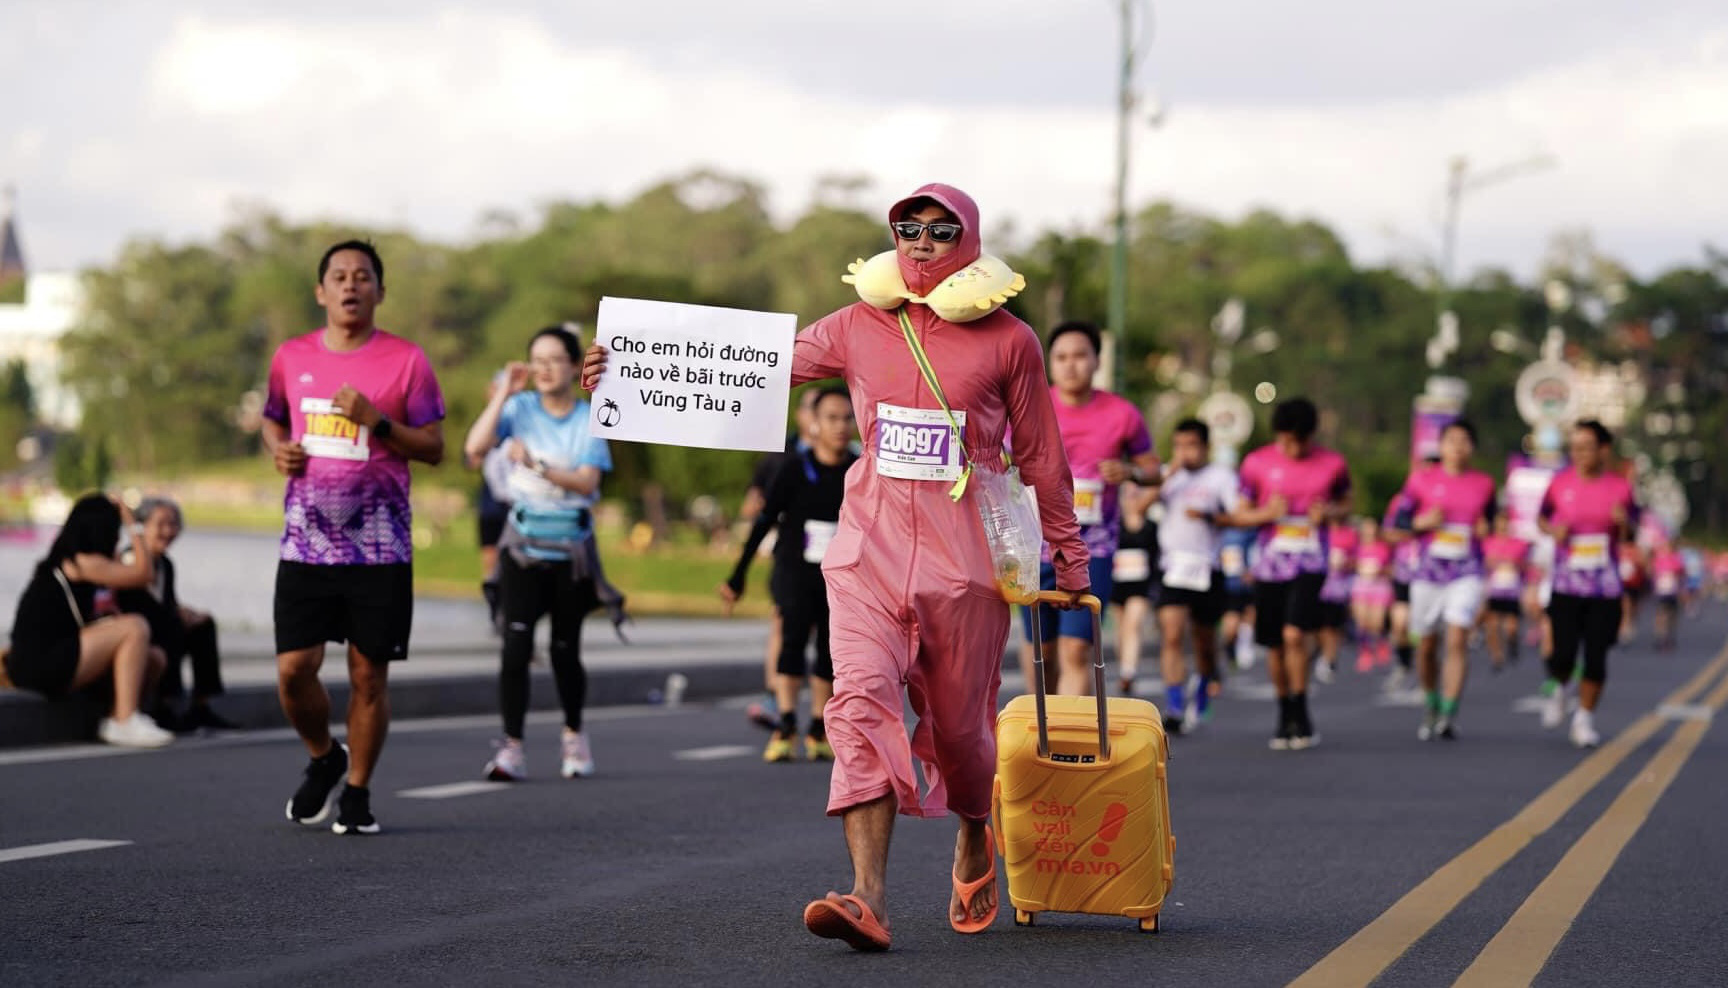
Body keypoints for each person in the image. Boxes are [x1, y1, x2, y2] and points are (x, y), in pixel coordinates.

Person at [583, 183, 1089, 949]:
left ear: (968, 237)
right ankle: (869, 898)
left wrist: (1071, 561)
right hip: (867, 556)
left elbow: (1045, 460)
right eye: (907, 228)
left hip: (967, 569)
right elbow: (751, 369)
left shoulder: (1010, 340)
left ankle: (976, 829)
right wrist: (624, 370)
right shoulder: (857, 324)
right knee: (857, 703)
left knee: (960, 734)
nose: (920, 241)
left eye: (939, 228)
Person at [262, 240, 446, 835]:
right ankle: (324, 756)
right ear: (321, 291)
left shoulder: (407, 361)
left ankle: (359, 792)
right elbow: (272, 416)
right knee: (294, 669)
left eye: (362, 277)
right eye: (339, 276)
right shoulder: (291, 357)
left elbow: (435, 448)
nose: (350, 285)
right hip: (306, 543)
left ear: (379, 292)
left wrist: (377, 421)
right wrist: (278, 448)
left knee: (369, 676)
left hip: (380, 545)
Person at [465, 325, 622, 781]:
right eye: (537, 360)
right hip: (522, 548)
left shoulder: (590, 417)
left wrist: (535, 464)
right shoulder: (519, 408)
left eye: (555, 360)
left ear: (575, 367)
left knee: (563, 649)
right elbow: (475, 447)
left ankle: (574, 736)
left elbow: (588, 481)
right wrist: (502, 396)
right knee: (515, 648)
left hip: (570, 549)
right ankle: (511, 746)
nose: (544, 369)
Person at [1018, 321, 1156, 698]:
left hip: (1092, 549)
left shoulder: (1123, 414)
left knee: (1076, 649)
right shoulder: (1030, 408)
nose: (1071, 365)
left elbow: (1154, 471)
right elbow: (999, 462)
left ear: (1097, 360)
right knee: (1039, 653)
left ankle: (1065, 740)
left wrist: (1130, 472)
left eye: (1080, 356)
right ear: (1050, 363)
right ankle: (1040, 729)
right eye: (1061, 357)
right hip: (1034, 550)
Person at [722, 386, 859, 762]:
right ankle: (785, 725)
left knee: (830, 650)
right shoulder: (794, 468)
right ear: (813, 423)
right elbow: (764, 520)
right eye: (831, 418)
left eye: (847, 418)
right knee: (792, 641)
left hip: (839, 577)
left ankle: (817, 728)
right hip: (794, 569)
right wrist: (738, 575)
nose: (840, 426)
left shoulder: (858, 471)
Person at [1228, 397, 1352, 750]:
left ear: (1311, 436)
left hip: (1311, 563)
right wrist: (1266, 513)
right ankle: (1285, 713)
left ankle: (1301, 710)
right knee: (1276, 643)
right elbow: (1240, 514)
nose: (1292, 448)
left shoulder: (1332, 464)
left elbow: (1347, 502)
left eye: (1300, 441)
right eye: (1285, 440)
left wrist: (1328, 511)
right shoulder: (1257, 463)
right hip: (1269, 564)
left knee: (1296, 634)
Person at [4, 493, 173, 747]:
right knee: (135, 627)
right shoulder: (84, 561)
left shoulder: (76, 562)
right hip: (43, 663)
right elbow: (144, 573)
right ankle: (123, 721)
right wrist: (134, 523)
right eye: (115, 530)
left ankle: (116, 713)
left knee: (154, 659)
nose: (118, 537)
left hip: (53, 656)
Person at [1387, 420, 1497, 741]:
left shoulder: (1484, 484)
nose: (1458, 447)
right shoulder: (1421, 481)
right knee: (1426, 645)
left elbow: (1490, 521)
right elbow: (1399, 525)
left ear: (1472, 447)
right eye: (1451, 441)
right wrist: (1423, 522)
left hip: (1467, 571)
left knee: (1458, 637)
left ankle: (1449, 712)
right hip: (1428, 573)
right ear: (1441, 445)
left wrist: (1484, 530)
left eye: (1464, 441)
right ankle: (1431, 704)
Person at [1537, 420, 1638, 749]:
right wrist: (1553, 531)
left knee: (1596, 655)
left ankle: (1584, 719)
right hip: (1567, 584)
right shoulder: (1559, 483)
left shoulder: (1620, 488)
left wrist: (1625, 524)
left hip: (1605, 586)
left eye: (1585, 447)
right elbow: (1541, 517)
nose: (1578, 454)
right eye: (1574, 447)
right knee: (1562, 654)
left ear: (1603, 450)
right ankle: (1560, 688)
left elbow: (1633, 531)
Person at [740, 387, 824, 732]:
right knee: (784, 622)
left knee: (826, 634)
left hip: (831, 563)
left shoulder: (849, 457)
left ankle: (823, 716)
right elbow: (752, 505)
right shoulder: (781, 457)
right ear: (802, 416)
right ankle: (776, 697)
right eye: (810, 410)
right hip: (790, 556)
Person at [116, 497, 236, 731]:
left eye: (173, 524)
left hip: (161, 627)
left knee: (203, 624)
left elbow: (164, 602)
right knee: (170, 626)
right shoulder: (126, 561)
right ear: (142, 527)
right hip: (140, 637)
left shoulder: (166, 565)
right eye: (161, 524)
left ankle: (201, 707)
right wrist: (172, 615)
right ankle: (164, 706)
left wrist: (185, 613)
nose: (168, 531)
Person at [1152, 418, 1238, 734]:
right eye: (1179, 445)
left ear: (1205, 446)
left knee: (1203, 640)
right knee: (1172, 634)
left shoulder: (1221, 477)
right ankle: (1174, 705)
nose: (1184, 452)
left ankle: (1204, 682)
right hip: (1173, 566)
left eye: (1191, 445)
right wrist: (1167, 475)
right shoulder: (1167, 476)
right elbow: (1138, 507)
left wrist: (1209, 516)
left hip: (1207, 567)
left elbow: (1236, 514)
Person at [470, 372, 515, 635]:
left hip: (515, 503)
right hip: (490, 503)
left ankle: (511, 614)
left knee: (511, 561)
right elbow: (472, 457)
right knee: (490, 562)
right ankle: (495, 613)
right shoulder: (488, 423)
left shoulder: (521, 420)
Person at [1108, 481, 1159, 696]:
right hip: (1116, 584)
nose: (1131, 498)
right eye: (1126, 494)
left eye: (1135, 494)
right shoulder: (1113, 523)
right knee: (1121, 629)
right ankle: (1124, 668)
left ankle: (1129, 671)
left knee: (1133, 625)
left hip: (1140, 585)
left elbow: (1156, 558)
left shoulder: (1151, 526)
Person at [1480, 513, 1530, 672]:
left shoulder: (1519, 544)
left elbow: (1527, 567)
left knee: (1511, 627)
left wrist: (1515, 564)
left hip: (1512, 591)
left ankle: (1512, 643)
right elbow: (1480, 563)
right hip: (1493, 590)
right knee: (1492, 625)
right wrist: (1491, 563)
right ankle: (1496, 656)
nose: (1503, 529)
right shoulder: (1487, 543)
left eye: (1505, 525)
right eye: (1500, 525)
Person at [1313, 518, 1357, 685]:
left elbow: (1359, 556)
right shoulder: (1316, 529)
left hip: (1338, 587)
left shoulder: (1350, 533)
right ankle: (1321, 653)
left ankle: (1329, 659)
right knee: (1316, 626)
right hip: (1315, 583)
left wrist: (1346, 563)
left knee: (1332, 625)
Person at [1349, 517, 1394, 672]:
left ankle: (1381, 642)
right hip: (1361, 586)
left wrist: (1379, 570)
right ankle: (1365, 651)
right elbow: (1349, 563)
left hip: (1379, 586)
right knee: (1362, 622)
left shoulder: (1384, 547)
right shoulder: (1357, 547)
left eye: (1372, 528)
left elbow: (1392, 568)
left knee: (1377, 622)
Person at [1219, 524, 1258, 669]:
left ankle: (1241, 645)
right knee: (1235, 618)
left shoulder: (1252, 531)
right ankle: (1233, 647)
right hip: (1233, 584)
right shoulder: (1229, 533)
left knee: (1247, 614)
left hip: (1241, 583)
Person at [1650, 540, 1685, 651]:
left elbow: (1682, 573)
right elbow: (1652, 572)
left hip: (1673, 591)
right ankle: (1660, 636)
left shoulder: (1676, 559)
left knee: (1672, 615)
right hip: (1661, 591)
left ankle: (1669, 636)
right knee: (1661, 614)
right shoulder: (1658, 559)